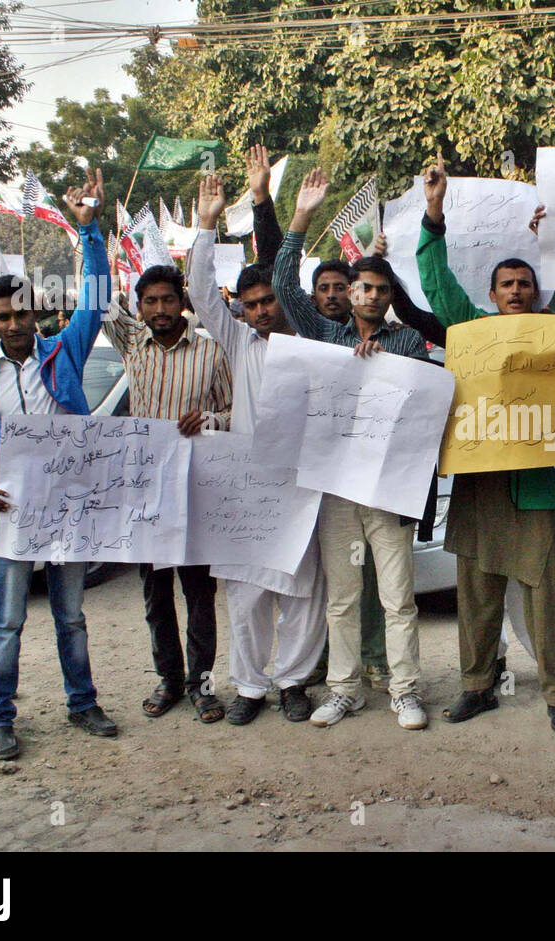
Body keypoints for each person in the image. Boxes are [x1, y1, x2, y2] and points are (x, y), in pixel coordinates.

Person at [416, 151, 555, 737]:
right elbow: (435, 281)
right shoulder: (469, 330)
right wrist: (433, 211)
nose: (517, 290)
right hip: (480, 482)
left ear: (535, 290)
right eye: (507, 284)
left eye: (525, 283)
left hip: (539, 488)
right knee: (476, 593)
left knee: (548, 598)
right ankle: (477, 686)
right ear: (493, 293)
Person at [0, 168, 118, 760]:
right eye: (3, 317)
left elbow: (96, 300)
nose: (16, 324)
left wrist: (90, 232)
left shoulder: (63, 351)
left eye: (23, 313)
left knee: (71, 616)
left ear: (35, 309)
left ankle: (84, 703)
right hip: (13, 516)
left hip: (68, 509)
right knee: (6, 624)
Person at [271, 169, 434, 731]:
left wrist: (387, 367)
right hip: (339, 485)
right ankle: (343, 690)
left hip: (388, 487)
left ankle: (404, 689)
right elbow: (286, 288)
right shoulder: (326, 335)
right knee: (342, 597)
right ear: (350, 294)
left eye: (378, 290)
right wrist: (302, 217)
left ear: (390, 298)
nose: (366, 296)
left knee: (397, 598)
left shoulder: (409, 341)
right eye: (360, 288)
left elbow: (419, 404)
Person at [189, 172, 328, 726]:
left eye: (270, 299)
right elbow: (200, 295)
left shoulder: (315, 341)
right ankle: (248, 687)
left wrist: (298, 215)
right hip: (247, 488)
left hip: (303, 482)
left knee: (302, 592)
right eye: (251, 303)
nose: (263, 310)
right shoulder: (238, 342)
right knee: (245, 597)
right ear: (240, 309)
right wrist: (206, 223)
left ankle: (294, 682)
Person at [102, 263, 233, 726]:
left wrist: (211, 421)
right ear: (139, 307)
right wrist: (89, 230)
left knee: (199, 592)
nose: (160, 309)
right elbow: (97, 295)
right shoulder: (131, 343)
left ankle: (203, 686)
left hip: (195, 487)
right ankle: (169, 680)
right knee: (155, 596)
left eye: (168, 300)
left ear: (183, 302)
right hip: (144, 493)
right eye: (150, 301)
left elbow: (234, 410)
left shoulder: (211, 352)